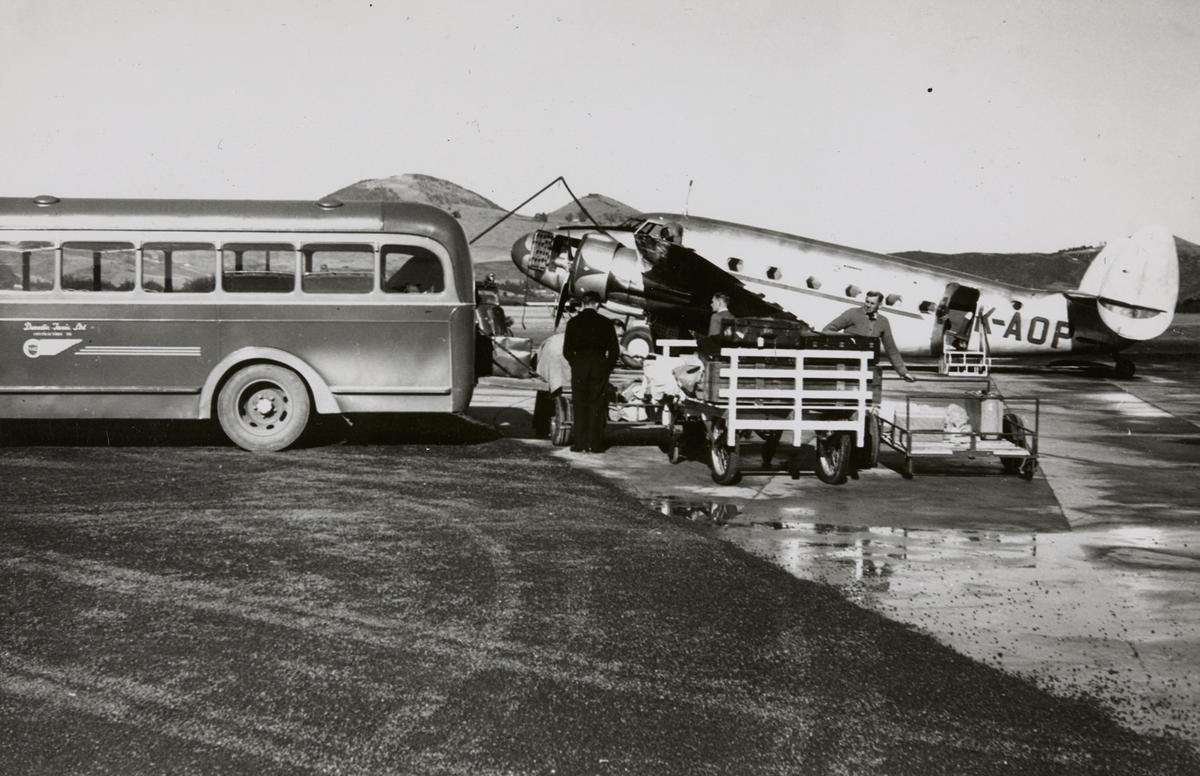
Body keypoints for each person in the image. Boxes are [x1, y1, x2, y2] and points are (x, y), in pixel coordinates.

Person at [562, 292, 619, 453]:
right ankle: (594, 444)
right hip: (599, 364)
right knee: (597, 404)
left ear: (583, 303)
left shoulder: (573, 322)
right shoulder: (606, 323)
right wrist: (607, 366)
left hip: (580, 364)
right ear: (597, 304)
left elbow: (566, 350)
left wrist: (575, 363)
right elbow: (614, 351)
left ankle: (580, 443)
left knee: (579, 403)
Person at [823, 290, 917, 382]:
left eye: (872, 303)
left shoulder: (883, 321)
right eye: (867, 302)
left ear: (880, 305)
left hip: (868, 367)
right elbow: (827, 330)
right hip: (848, 365)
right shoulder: (852, 313)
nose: (868, 305)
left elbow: (891, 349)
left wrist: (903, 372)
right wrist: (848, 338)